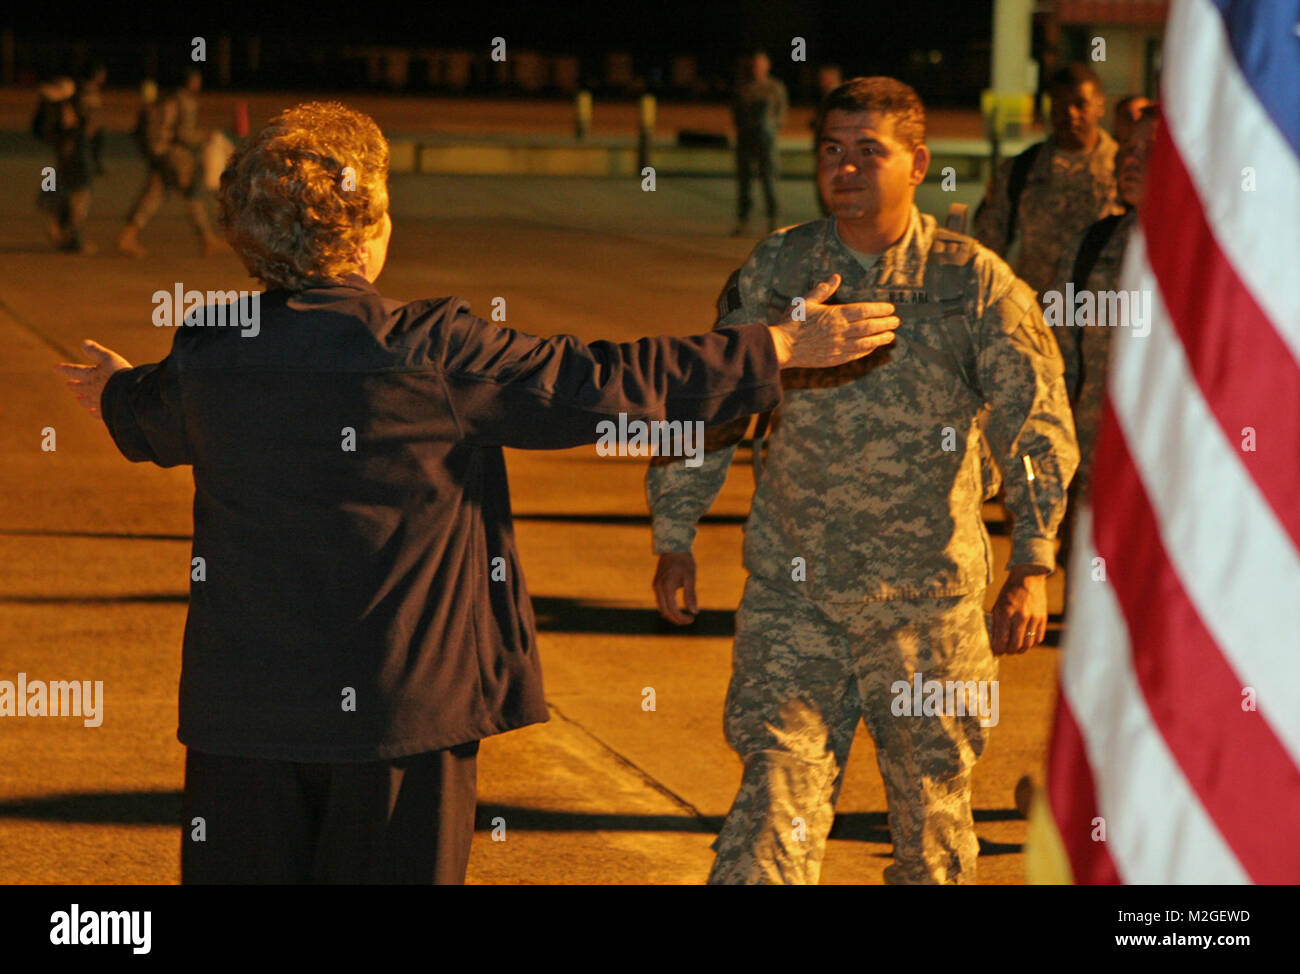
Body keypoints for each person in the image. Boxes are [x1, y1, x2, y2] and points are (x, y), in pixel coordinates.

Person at [54, 102, 899, 885]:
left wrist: (118, 390)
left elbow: (146, 415)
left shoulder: (209, 357)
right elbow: (604, 383)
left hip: (243, 720)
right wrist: (774, 349)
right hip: (397, 719)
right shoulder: (433, 351)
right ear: (367, 228)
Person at [646, 77, 1079, 885]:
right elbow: (712, 397)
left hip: (926, 608)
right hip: (795, 592)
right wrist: (675, 533)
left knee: (930, 826)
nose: (846, 168)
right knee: (773, 802)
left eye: (868, 152)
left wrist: (1034, 560)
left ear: (916, 164)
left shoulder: (969, 281)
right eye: (831, 151)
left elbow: (1035, 422)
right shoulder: (780, 266)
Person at [1049, 105, 1159, 503]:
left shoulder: (1219, 261)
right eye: (1128, 149)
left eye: (1151, 149)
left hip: (1180, 485)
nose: (1131, 160)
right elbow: (1056, 367)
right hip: (1096, 481)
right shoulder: (1092, 247)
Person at [974, 64, 1120, 295]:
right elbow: (987, 246)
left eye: (1080, 104)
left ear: (1100, 106)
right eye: (1060, 104)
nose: (1070, 114)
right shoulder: (1021, 170)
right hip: (1035, 316)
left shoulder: (1124, 172)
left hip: (1102, 318)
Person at [116, 67, 224, 257]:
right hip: (174, 155)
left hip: (158, 152)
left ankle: (127, 236)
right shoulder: (186, 102)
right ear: (190, 82)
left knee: (153, 194)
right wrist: (205, 137)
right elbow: (184, 134)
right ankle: (207, 239)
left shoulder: (165, 98)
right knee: (192, 193)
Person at [32, 73, 95, 254]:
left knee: (55, 193)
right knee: (73, 197)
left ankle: (61, 233)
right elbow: (72, 134)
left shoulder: (49, 109)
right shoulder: (64, 109)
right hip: (67, 162)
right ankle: (65, 235)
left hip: (55, 161)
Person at [731, 51, 788, 236]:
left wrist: (773, 129)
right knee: (744, 183)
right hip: (746, 139)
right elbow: (736, 113)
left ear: (767, 66)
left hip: (766, 139)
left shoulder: (774, 88)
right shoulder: (743, 88)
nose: (756, 69)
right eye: (754, 65)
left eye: (760, 65)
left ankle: (774, 219)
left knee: (769, 180)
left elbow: (781, 111)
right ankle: (743, 220)